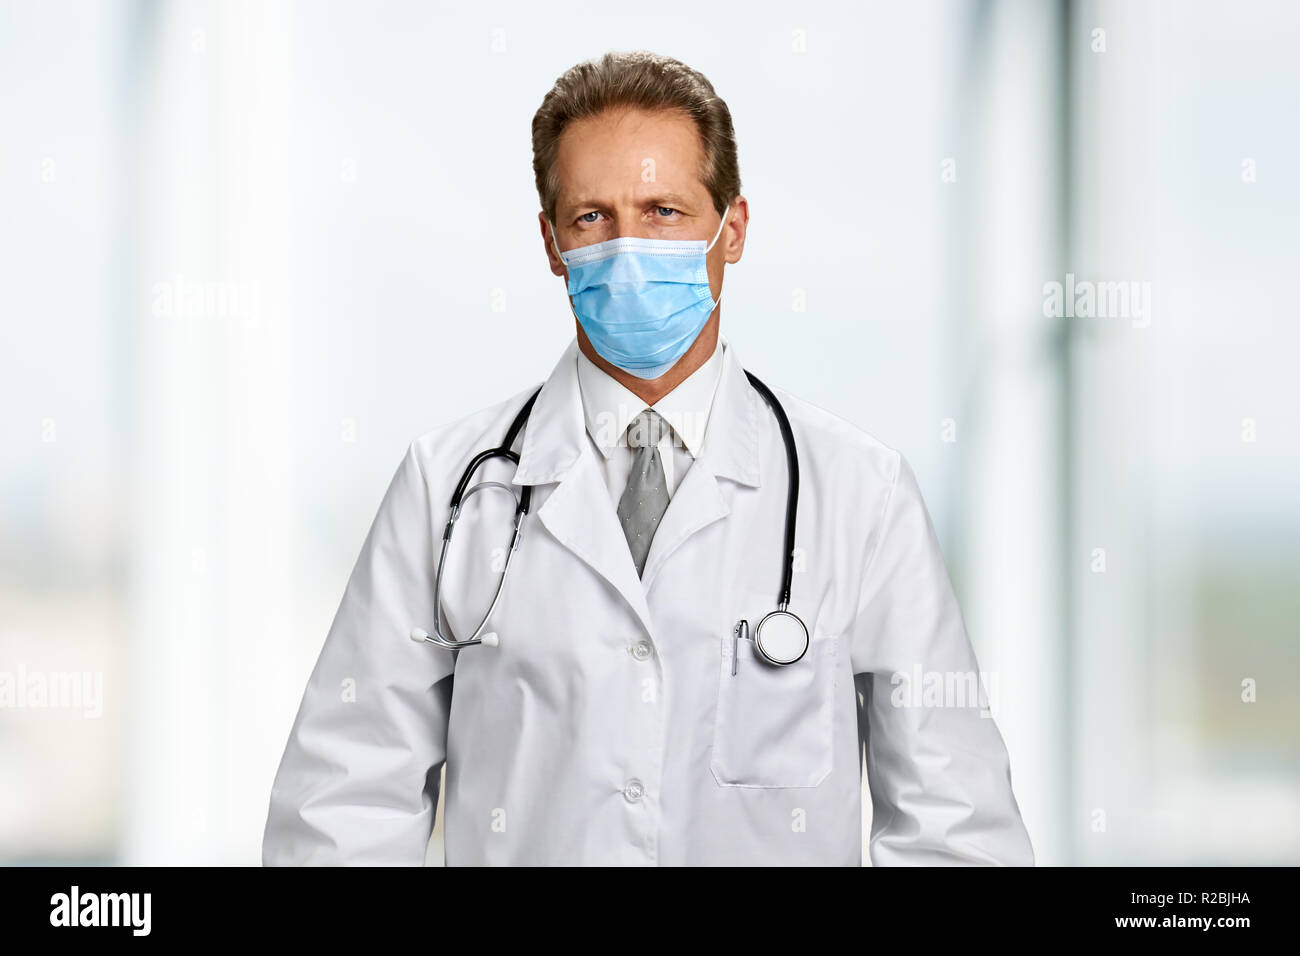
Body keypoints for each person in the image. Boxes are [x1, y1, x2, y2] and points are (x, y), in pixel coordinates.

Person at [262, 50, 1034, 866]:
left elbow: (955, 828)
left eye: (663, 211)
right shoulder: (447, 488)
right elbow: (344, 807)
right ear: (552, 243)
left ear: (731, 230)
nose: (627, 249)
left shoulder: (858, 493)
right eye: (592, 217)